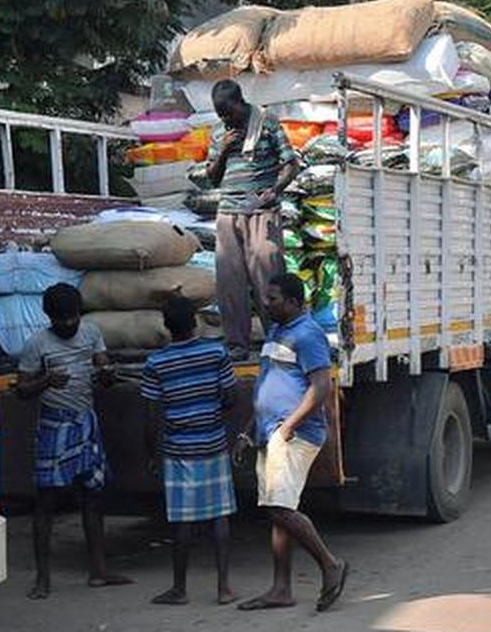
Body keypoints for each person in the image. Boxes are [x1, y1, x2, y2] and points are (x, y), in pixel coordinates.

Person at [234, 273, 348, 613]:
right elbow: (269, 386)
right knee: (277, 509)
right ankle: (281, 589)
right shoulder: (275, 331)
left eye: (273, 299)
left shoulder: (307, 334)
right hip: (270, 431)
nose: (265, 304)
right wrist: (247, 430)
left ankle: (330, 565)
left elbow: (321, 388)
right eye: (265, 298)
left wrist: (288, 427)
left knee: (279, 507)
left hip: (295, 435)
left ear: (295, 302)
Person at [16, 283, 132, 599]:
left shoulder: (91, 333)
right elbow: (22, 391)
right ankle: (43, 579)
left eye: (73, 318)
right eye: (62, 319)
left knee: (93, 496)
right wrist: (46, 381)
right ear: (49, 316)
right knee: (46, 502)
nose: (69, 324)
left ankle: (99, 571)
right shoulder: (36, 344)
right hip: (54, 425)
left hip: (85, 421)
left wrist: (107, 373)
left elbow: (104, 371)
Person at [142, 296, 239, 606]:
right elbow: (231, 396)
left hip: (178, 449)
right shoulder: (216, 352)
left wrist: (152, 454)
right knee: (219, 516)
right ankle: (224, 587)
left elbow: (151, 415)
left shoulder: (156, 363)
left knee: (182, 519)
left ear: (166, 327)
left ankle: (180, 589)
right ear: (196, 321)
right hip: (213, 442)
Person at [207, 79, 301, 359]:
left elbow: (290, 163)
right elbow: (211, 177)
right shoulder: (218, 134)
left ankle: (278, 339)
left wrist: (275, 191)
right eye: (220, 114)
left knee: (268, 275)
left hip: (261, 210)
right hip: (228, 211)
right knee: (229, 282)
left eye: (228, 112)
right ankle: (237, 343)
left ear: (240, 103)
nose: (225, 119)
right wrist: (224, 149)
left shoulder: (267, 123)